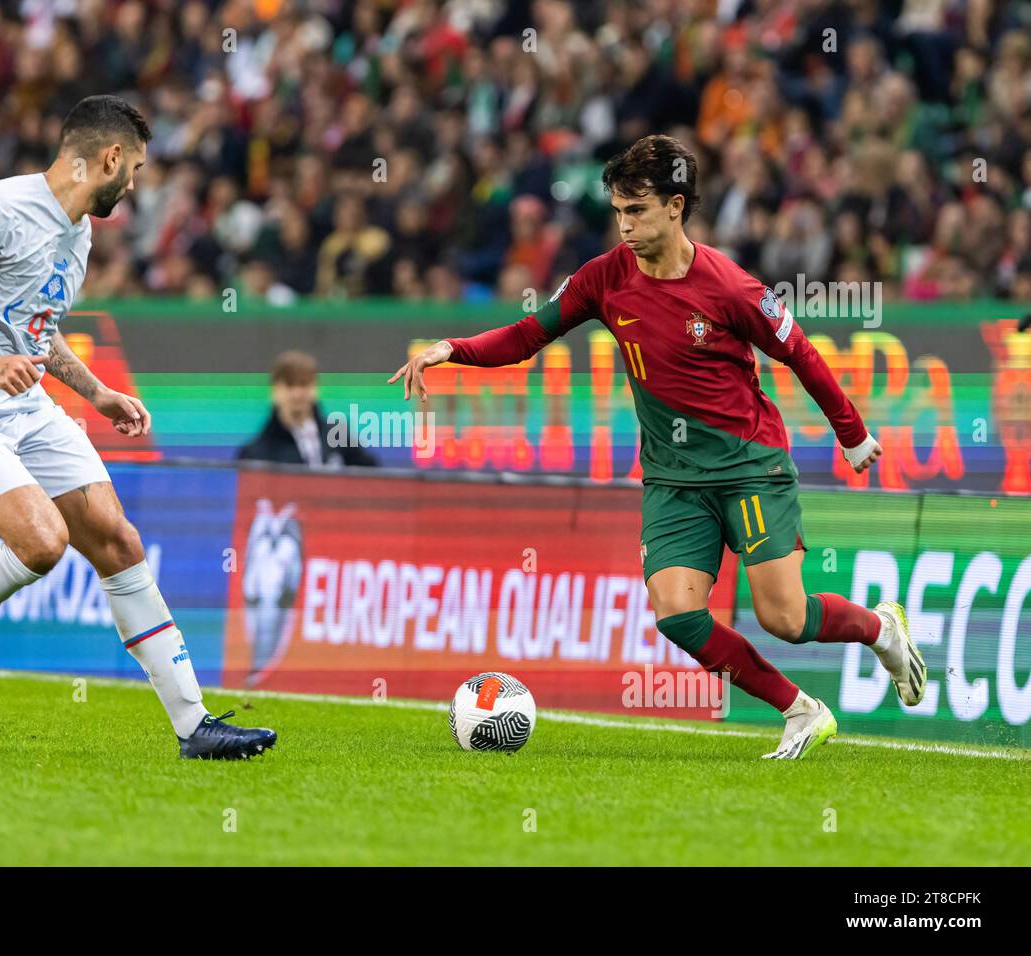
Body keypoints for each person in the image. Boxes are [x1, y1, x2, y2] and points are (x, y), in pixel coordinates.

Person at [390, 135, 926, 760]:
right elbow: (527, 336)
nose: (625, 226)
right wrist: (451, 349)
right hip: (672, 478)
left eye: (637, 210)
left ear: (676, 207)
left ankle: (880, 629)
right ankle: (800, 710)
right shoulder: (602, 278)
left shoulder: (730, 288)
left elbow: (800, 351)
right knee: (676, 613)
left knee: (785, 617)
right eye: (618, 211)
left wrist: (852, 433)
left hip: (748, 465)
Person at [0, 94, 274, 759]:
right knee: (43, 542)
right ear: (110, 157)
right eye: (136, 169)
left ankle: (194, 727)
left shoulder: (80, 233)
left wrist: (96, 392)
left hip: (25, 403)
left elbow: (37, 331)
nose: (135, 184)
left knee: (118, 542)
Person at [237, 350, 379, 468]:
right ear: (274, 391)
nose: (297, 393)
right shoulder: (256, 455)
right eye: (289, 385)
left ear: (315, 388)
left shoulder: (337, 435)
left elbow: (374, 477)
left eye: (304, 384)